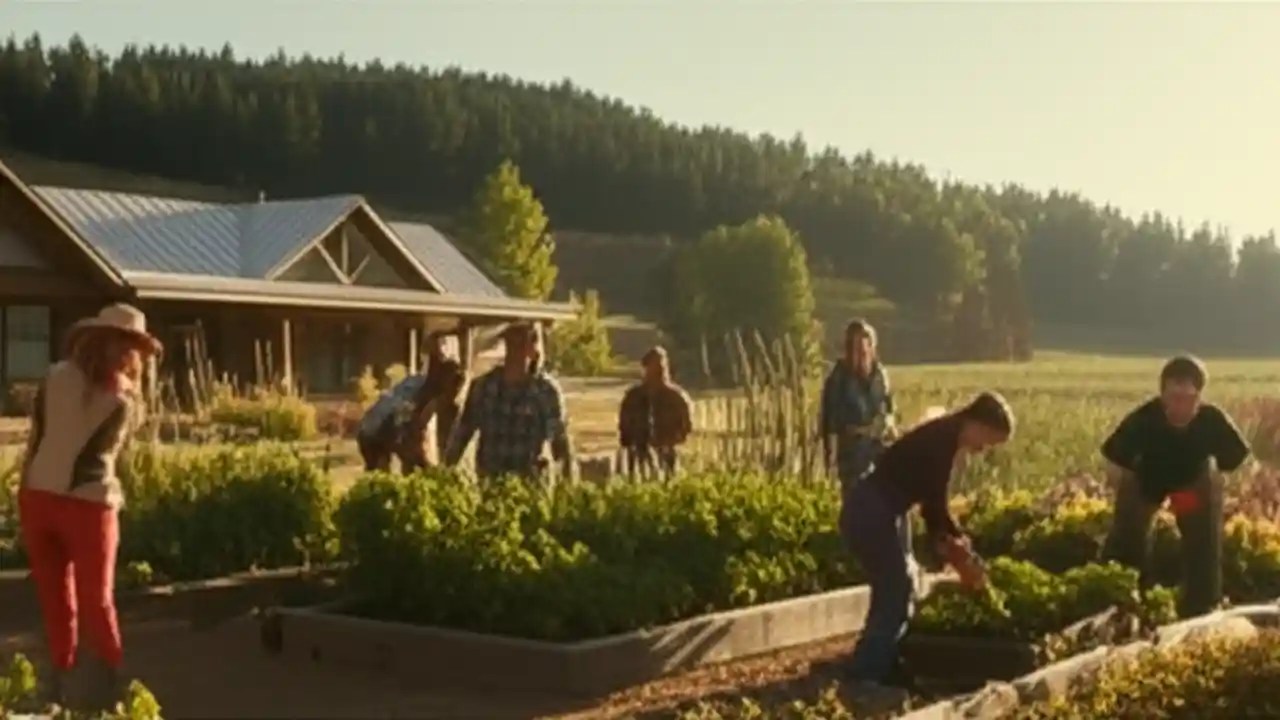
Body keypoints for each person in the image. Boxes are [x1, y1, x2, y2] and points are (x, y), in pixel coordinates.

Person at [18, 303, 161, 707]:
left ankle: (57, 688)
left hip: (38, 495)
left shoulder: (54, 376)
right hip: (89, 504)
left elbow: (36, 439)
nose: (131, 357)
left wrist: (24, 489)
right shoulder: (124, 398)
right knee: (97, 601)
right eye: (129, 347)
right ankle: (111, 694)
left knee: (55, 599)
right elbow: (109, 453)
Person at [840, 392, 1015, 693]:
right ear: (978, 423)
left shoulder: (945, 435)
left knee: (902, 586)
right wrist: (956, 546)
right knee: (896, 589)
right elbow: (934, 506)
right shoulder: (941, 442)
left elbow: (931, 505)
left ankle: (885, 662)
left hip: (886, 508)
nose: (983, 448)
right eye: (988, 440)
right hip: (873, 511)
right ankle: (865, 675)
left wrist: (955, 541)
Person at [1100, 355, 1250, 618]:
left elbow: (1234, 456)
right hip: (1148, 482)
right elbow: (1114, 452)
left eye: (1189, 399)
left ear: (1199, 399)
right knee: (1128, 538)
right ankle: (1124, 602)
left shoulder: (1211, 420)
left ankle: (1200, 607)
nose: (1181, 407)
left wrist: (1214, 478)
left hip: (1188, 487)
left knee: (1202, 543)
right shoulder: (1144, 418)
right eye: (1175, 398)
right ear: (1163, 397)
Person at [443, 322, 574, 481]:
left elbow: (560, 444)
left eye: (523, 343)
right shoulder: (484, 387)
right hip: (491, 480)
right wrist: (445, 474)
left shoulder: (545, 391)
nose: (516, 350)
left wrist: (567, 485)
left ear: (534, 350)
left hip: (530, 483)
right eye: (512, 342)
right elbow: (462, 434)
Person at [820, 320, 903, 535]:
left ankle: (899, 544)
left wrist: (888, 426)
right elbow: (831, 420)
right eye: (855, 349)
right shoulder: (838, 379)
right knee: (856, 497)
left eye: (865, 348)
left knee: (899, 485)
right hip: (852, 446)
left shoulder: (880, 375)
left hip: (879, 441)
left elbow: (890, 408)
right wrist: (831, 455)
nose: (861, 355)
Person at [355, 354, 465, 474]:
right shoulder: (419, 398)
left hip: (374, 428)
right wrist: (424, 465)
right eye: (454, 389)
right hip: (374, 434)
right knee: (382, 475)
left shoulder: (417, 383)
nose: (454, 395)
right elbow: (406, 441)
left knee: (406, 467)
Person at [617, 346, 694, 478]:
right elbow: (624, 425)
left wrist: (672, 441)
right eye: (654, 368)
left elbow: (686, 425)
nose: (658, 372)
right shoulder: (634, 397)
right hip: (639, 453)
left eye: (661, 368)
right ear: (645, 369)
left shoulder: (676, 397)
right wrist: (630, 442)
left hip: (668, 451)